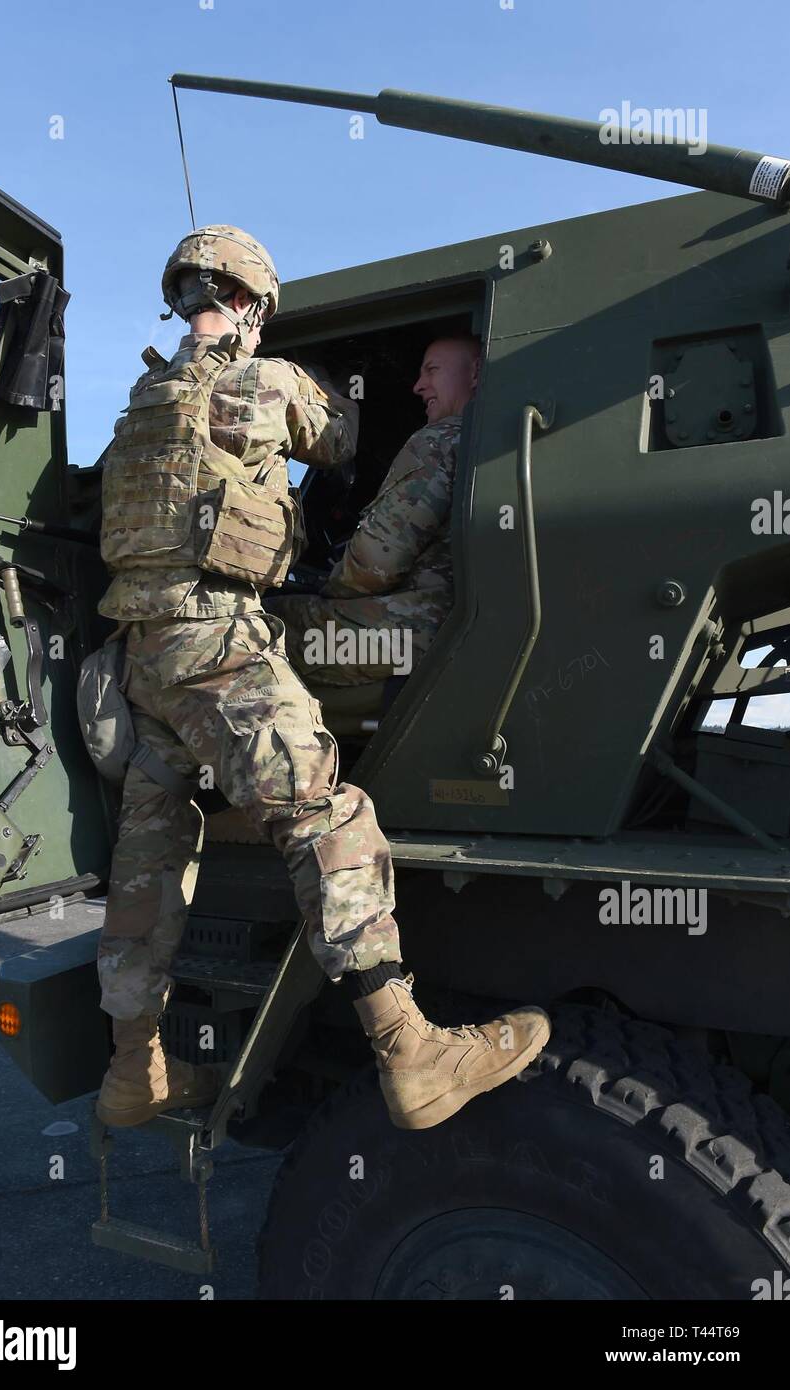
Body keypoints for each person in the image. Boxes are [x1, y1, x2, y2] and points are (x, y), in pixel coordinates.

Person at [94, 225, 550, 1131]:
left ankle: (131, 1069)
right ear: (256, 306)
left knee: (148, 853)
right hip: (219, 645)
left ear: (182, 303)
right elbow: (340, 439)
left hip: (140, 657)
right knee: (326, 814)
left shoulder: (141, 400)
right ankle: (408, 1050)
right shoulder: (268, 380)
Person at [269, 335, 480, 686]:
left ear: (475, 373)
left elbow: (374, 564)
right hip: (450, 625)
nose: (418, 385)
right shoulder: (482, 440)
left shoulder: (439, 440)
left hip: (413, 635)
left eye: (432, 370)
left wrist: (325, 589)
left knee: (254, 629)